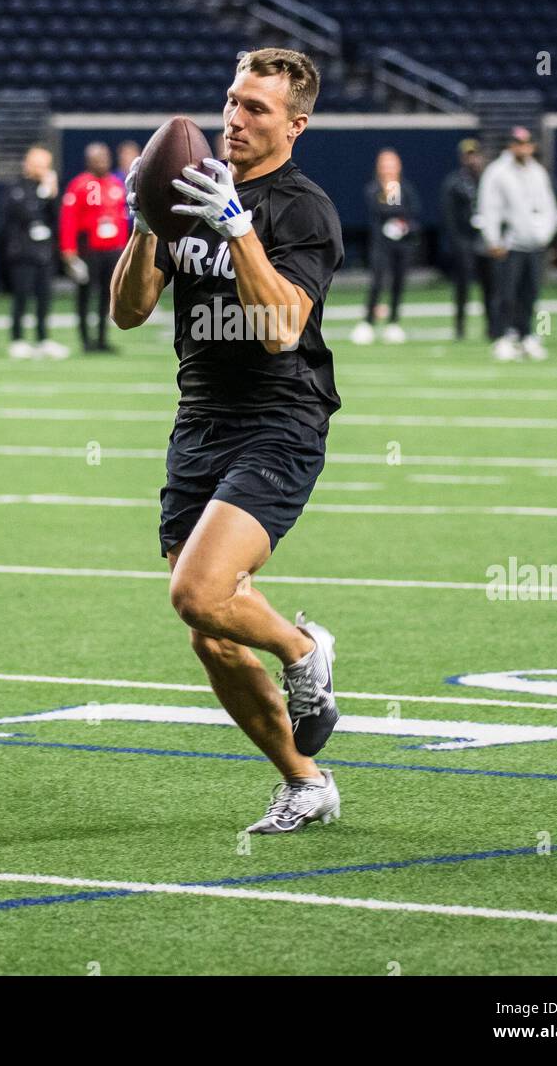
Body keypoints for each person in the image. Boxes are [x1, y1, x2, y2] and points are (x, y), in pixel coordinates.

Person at [111, 48, 344, 835]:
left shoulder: (302, 208)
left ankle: (304, 647)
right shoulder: (193, 186)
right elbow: (129, 311)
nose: (234, 120)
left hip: (280, 418)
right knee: (210, 632)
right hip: (199, 422)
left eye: (257, 109)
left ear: (296, 124)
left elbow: (282, 328)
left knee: (197, 593)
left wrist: (236, 229)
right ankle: (304, 781)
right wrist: (149, 224)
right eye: (232, 102)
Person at [477, 126, 557, 361]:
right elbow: (489, 206)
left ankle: (527, 335)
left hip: (534, 244)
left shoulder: (537, 172)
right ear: (510, 146)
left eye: (526, 143)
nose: (522, 148)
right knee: (506, 293)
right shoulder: (498, 172)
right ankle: (502, 337)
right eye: (517, 143)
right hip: (509, 244)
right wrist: (492, 238)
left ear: (532, 146)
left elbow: (548, 207)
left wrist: (544, 235)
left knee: (530, 293)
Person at [0, 146, 69, 360]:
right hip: (22, 253)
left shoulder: (47, 190)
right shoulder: (16, 189)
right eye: (39, 164)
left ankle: (43, 339)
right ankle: (17, 339)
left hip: (43, 253)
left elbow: (57, 220)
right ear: (28, 165)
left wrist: (52, 195)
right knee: (22, 296)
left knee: (44, 298)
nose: (43, 169)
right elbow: (16, 218)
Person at [59, 144, 129, 353]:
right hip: (89, 248)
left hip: (112, 249)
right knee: (85, 293)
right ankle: (85, 339)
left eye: (105, 158)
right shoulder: (79, 185)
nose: (103, 162)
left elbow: (122, 219)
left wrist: (124, 247)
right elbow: (68, 220)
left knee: (108, 296)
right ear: (89, 161)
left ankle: (101, 337)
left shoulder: (116, 184)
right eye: (98, 158)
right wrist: (68, 250)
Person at [351, 149, 420, 345]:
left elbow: (413, 212)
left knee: (399, 282)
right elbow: (379, 210)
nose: (389, 169)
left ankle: (394, 322)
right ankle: (368, 322)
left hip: (402, 244)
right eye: (385, 164)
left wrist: (403, 225)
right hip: (381, 244)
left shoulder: (406, 189)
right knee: (378, 281)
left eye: (392, 164)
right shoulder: (374, 189)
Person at [440, 138, 496, 340]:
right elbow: (449, 215)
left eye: (475, 154)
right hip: (464, 239)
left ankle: (492, 326)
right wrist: (457, 243)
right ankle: (459, 326)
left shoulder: (488, 181)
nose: (472, 159)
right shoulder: (455, 182)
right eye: (468, 155)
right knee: (462, 286)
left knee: (489, 286)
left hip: (484, 239)